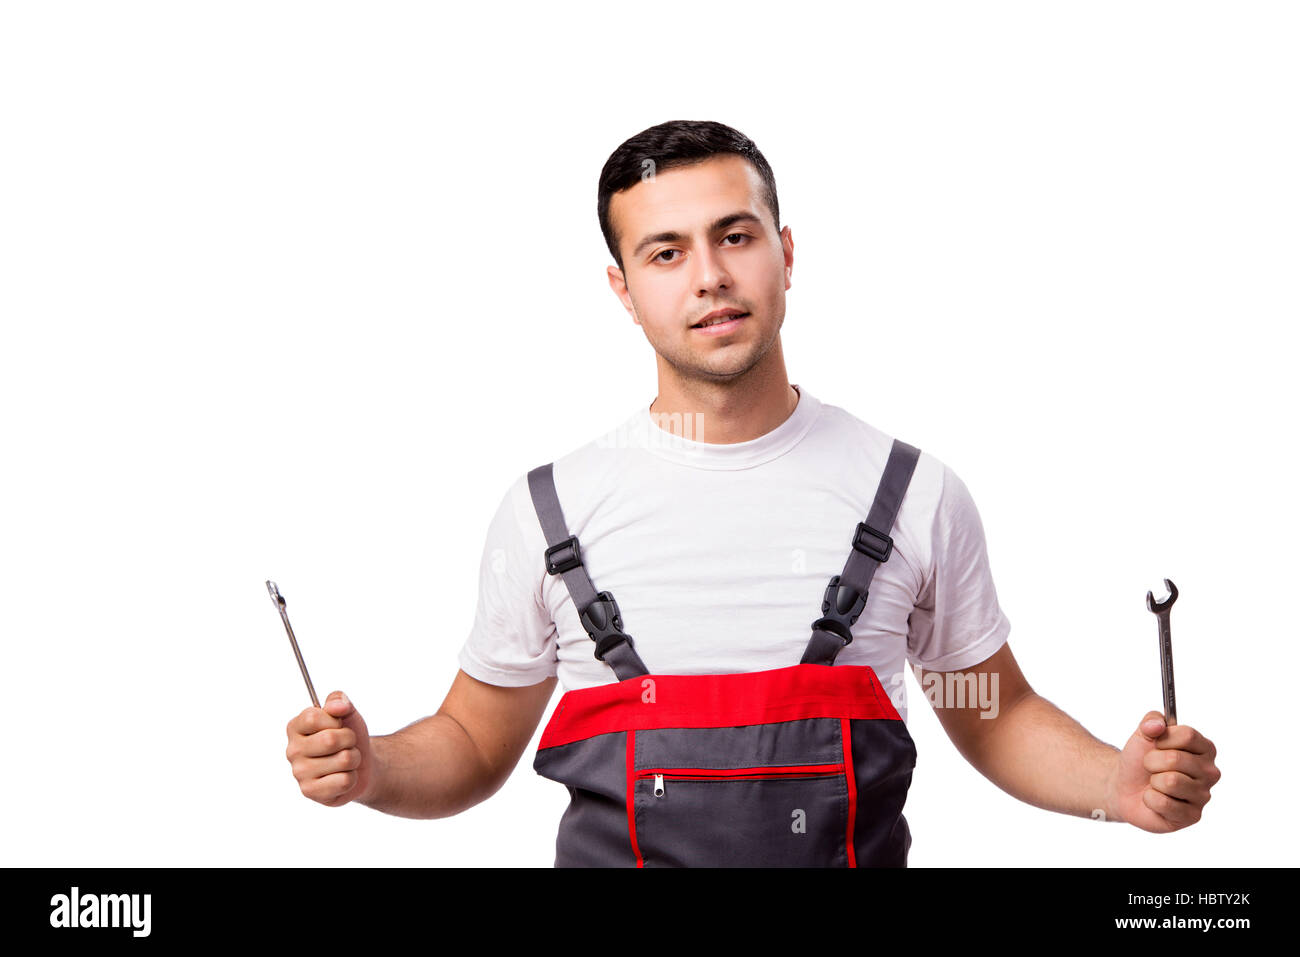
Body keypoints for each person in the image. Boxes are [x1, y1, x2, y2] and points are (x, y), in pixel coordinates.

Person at [284, 120, 1220, 859]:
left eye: (735, 235)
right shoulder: (546, 510)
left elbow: (993, 708)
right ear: (621, 288)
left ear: (786, 251)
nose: (711, 277)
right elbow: (473, 741)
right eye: (666, 252)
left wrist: (1119, 783)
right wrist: (370, 767)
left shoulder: (915, 493)